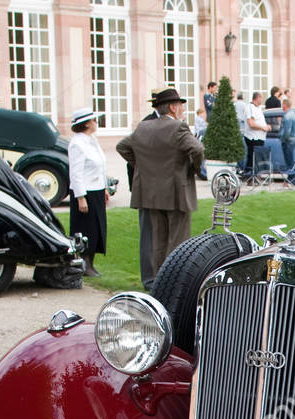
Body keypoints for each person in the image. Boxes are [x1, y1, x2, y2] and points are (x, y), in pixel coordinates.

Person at [116, 88, 204, 283]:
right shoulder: (178, 127)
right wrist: (193, 168)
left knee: (158, 241)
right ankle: (173, 282)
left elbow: (122, 146)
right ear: (173, 107)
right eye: (180, 105)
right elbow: (197, 148)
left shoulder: (144, 127)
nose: (181, 109)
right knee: (178, 240)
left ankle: (158, 281)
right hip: (175, 191)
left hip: (152, 193)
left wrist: (142, 166)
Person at [124, 92, 162, 290]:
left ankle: (161, 274)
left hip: (163, 190)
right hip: (147, 189)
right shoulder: (146, 125)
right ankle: (149, 278)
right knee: (148, 234)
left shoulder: (164, 124)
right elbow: (126, 149)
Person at [67, 108, 108, 277]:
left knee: (97, 228)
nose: (95, 123)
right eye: (93, 121)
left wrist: (104, 187)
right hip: (85, 192)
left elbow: (100, 166)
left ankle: (91, 261)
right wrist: (81, 197)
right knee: (86, 228)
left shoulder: (92, 140)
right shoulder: (77, 143)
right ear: (85, 124)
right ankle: (84, 262)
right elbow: (76, 172)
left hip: (96, 189)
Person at [243, 91, 269, 175]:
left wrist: (266, 126)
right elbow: (251, 124)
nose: (262, 100)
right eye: (261, 98)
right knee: (252, 158)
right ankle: (250, 176)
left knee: (257, 158)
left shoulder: (258, 108)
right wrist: (263, 127)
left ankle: (256, 175)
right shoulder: (250, 108)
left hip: (259, 137)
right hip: (253, 137)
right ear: (257, 98)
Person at [278, 96, 295, 187]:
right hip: (293, 139)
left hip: (288, 141)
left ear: (285, 105)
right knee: (290, 160)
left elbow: (287, 130)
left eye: (282, 104)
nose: (282, 106)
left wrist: (282, 139)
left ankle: (292, 179)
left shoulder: (287, 116)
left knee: (289, 161)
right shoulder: (293, 114)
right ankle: (292, 179)